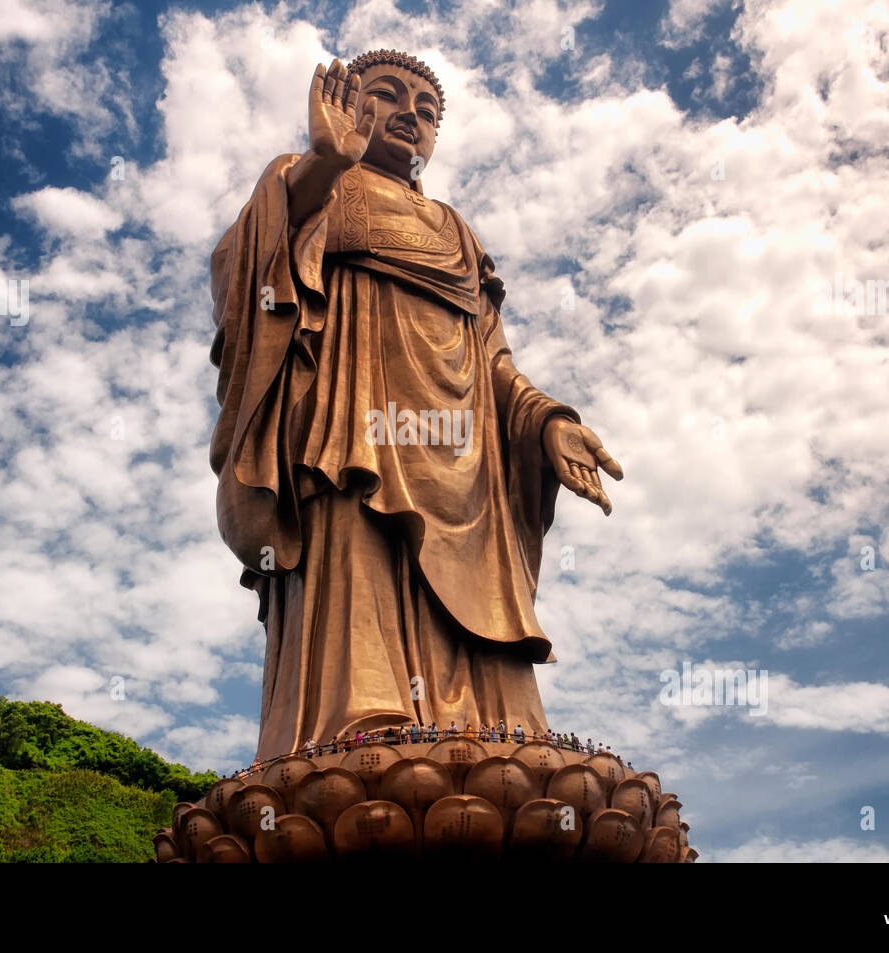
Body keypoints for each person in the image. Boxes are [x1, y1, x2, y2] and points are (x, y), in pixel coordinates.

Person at [208, 51, 624, 761]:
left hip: (463, 458)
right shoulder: (309, 180)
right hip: (352, 431)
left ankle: (495, 737)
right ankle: (357, 727)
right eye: (388, 96)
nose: (411, 115)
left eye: (427, 111)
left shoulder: (456, 230)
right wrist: (322, 165)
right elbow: (245, 272)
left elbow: (493, 359)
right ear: (348, 105)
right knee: (356, 555)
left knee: (487, 662)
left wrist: (550, 421)